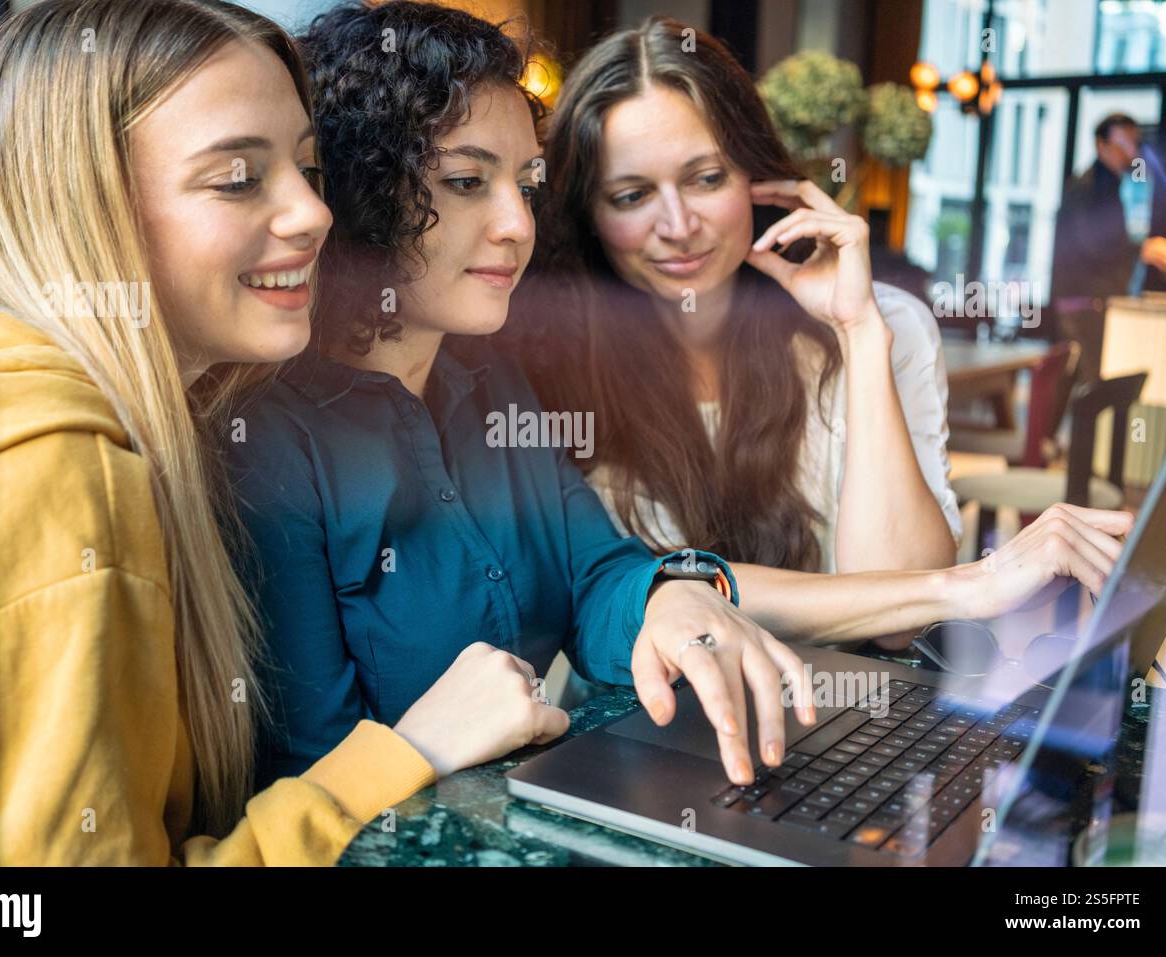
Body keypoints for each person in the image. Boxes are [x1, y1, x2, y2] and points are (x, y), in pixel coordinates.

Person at [0, 0, 558, 865]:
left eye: (309, 169)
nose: (313, 215)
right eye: (240, 177)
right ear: (80, 197)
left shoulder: (170, 418)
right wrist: (413, 749)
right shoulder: (64, 468)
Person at [224, 0, 820, 792]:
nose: (517, 223)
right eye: (468, 181)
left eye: (527, 182)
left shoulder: (487, 375)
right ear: (362, 191)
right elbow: (305, 777)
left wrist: (667, 601)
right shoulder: (267, 440)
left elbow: (596, 571)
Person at [507, 16, 959, 579]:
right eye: (631, 195)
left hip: (843, 671)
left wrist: (859, 334)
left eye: (706, 179)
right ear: (589, 217)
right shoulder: (549, 364)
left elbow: (903, 617)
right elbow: (621, 603)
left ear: (755, 178)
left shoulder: (885, 324)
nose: (677, 225)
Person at [1052, 112, 1166, 383]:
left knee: (1085, 387)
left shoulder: (1108, 185)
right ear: (1102, 145)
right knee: (1088, 388)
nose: (1131, 152)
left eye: (1134, 144)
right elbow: (1091, 241)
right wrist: (1142, 249)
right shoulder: (1089, 187)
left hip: (1089, 303)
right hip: (1085, 304)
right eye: (1124, 145)